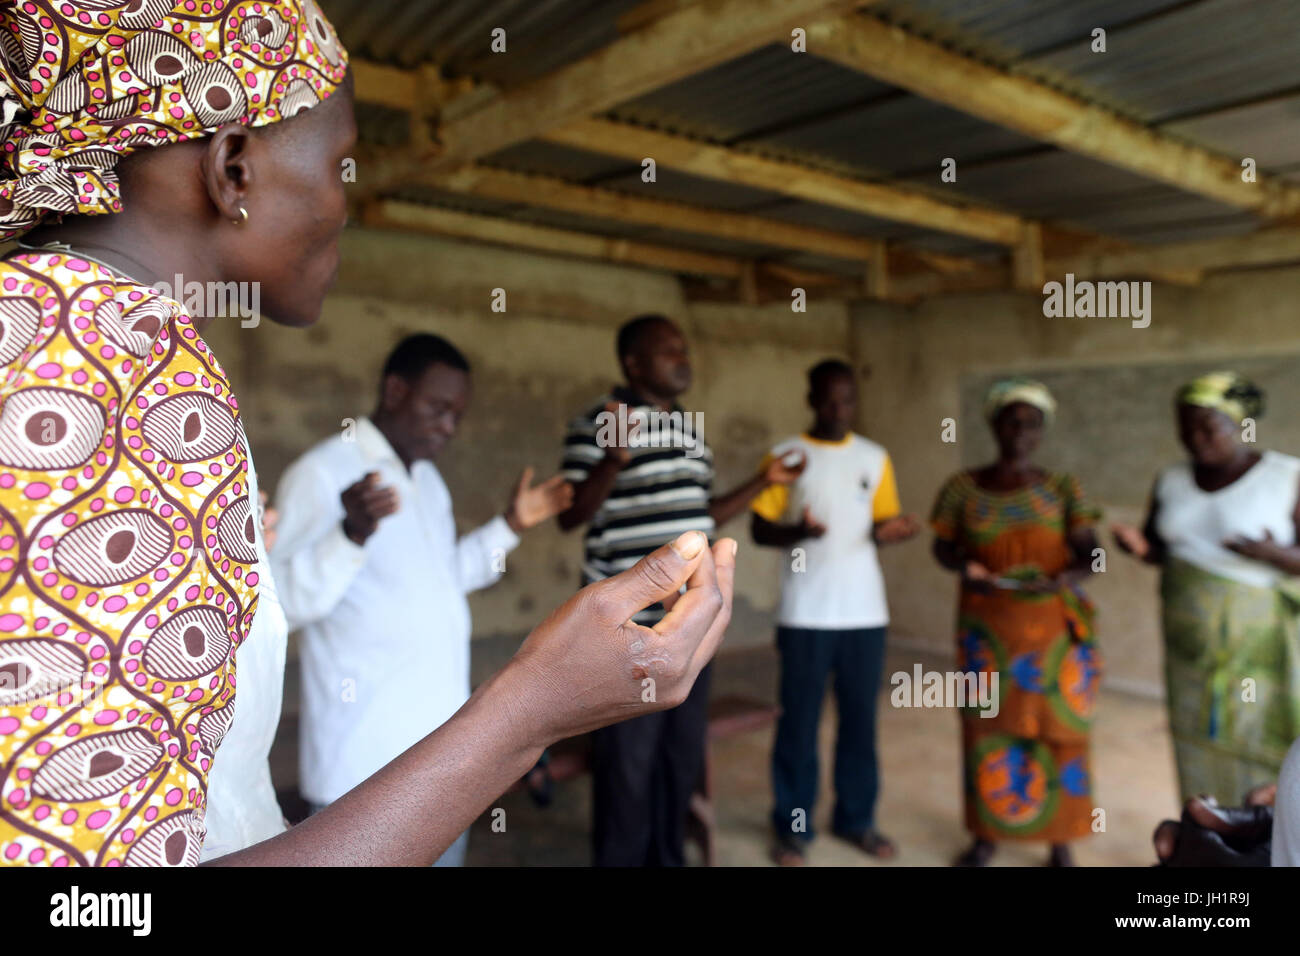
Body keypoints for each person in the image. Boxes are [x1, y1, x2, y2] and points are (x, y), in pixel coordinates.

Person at [0, 1, 734, 867]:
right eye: (342, 163)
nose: (347, 204)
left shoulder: (91, 338)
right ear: (233, 168)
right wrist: (533, 708)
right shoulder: (87, 364)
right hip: (364, 770)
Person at [268, 333, 571, 867]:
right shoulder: (324, 473)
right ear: (395, 390)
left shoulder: (428, 481)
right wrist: (350, 536)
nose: (449, 427)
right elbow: (279, 605)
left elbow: (444, 579)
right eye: (438, 408)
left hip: (439, 753)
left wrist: (510, 526)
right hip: (362, 764)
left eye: (458, 414)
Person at [558, 313, 801, 866]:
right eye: (669, 351)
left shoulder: (690, 430)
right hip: (625, 628)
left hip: (690, 623)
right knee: (626, 762)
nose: (683, 358)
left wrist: (766, 480)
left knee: (679, 753)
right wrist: (615, 455)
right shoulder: (599, 421)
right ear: (634, 363)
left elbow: (702, 514)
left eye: (684, 348)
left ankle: (669, 856)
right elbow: (573, 516)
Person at [750, 359, 919, 866]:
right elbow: (760, 530)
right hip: (806, 614)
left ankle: (856, 820)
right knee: (799, 724)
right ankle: (792, 827)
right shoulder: (786, 454)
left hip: (865, 613)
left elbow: (880, 523)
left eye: (847, 399)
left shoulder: (875, 457)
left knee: (860, 723)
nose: (838, 409)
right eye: (828, 399)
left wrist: (893, 532)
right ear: (810, 399)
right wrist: (799, 531)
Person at [930, 378, 1102, 867]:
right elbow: (942, 546)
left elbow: (1093, 554)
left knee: (1056, 727)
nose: (1021, 430)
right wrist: (965, 567)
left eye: (1031, 423)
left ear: (1041, 431)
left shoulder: (1064, 488)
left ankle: (1060, 836)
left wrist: (1066, 576)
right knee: (986, 726)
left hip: (1053, 633)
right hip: (987, 632)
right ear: (994, 425)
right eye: (1012, 420)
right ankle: (986, 833)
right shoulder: (961, 488)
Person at [1112, 371, 1300, 804]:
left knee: (1258, 736)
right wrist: (1139, 549)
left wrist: (1274, 555)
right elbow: (1158, 546)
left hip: (1258, 646)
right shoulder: (1170, 479)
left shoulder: (1285, 476)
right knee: (1195, 734)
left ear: (1238, 424)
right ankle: (1207, 829)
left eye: (1208, 426)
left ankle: (1263, 835)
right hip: (1187, 648)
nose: (1195, 438)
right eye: (1185, 426)